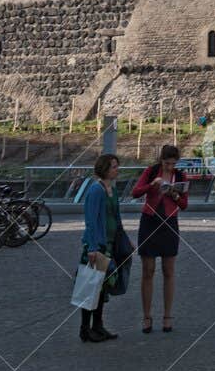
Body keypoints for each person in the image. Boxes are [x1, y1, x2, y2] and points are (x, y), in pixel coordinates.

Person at [132, 144, 188, 334]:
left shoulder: (180, 177)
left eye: (173, 164)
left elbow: (185, 204)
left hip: (169, 222)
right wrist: (152, 185)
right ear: (161, 160)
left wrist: (174, 194)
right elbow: (135, 192)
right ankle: (147, 316)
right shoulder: (150, 172)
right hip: (150, 221)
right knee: (148, 270)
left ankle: (167, 315)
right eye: (166, 163)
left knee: (168, 270)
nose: (169, 167)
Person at [77, 154, 122, 343]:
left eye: (117, 166)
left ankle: (98, 325)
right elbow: (91, 220)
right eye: (113, 167)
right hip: (97, 245)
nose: (117, 169)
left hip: (109, 244)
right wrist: (93, 247)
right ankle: (85, 329)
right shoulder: (96, 190)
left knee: (102, 287)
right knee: (90, 287)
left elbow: (116, 217)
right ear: (104, 169)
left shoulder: (112, 189)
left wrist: (123, 240)